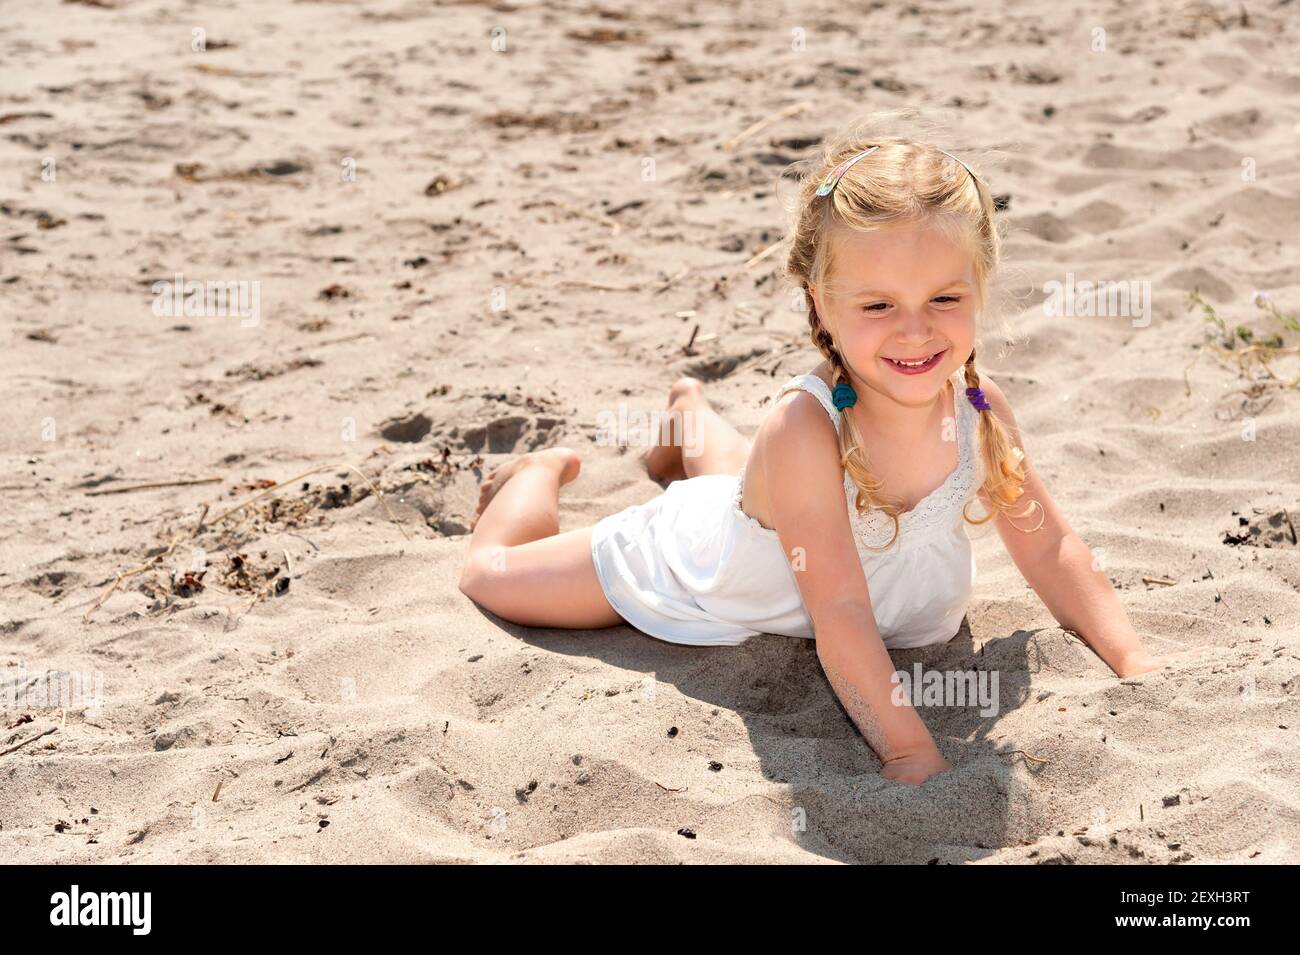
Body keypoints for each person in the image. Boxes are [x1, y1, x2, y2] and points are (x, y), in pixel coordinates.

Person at [458, 118, 1209, 786]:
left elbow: (1055, 551)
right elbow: (842, 612)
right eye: (878, 305)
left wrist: (1132, 658)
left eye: (945, 298)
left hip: (786, 512)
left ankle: (689, 412)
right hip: (701, 571)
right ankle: (539, 472)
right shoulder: (803, 427)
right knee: (491, 577)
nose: (915, 332)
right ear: (821, 302)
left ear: (981, 285)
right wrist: (909, 751)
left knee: (751, 487)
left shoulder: (980, 407)